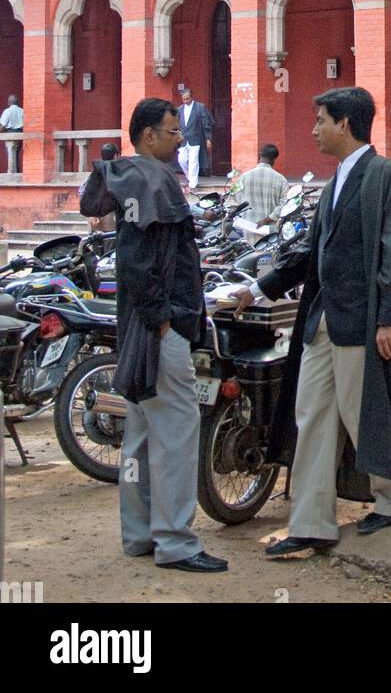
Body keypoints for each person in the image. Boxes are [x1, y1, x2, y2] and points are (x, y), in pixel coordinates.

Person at [231, 86, 391, 557]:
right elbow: (310, 251)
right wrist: (260, 287)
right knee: (313, 416)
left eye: (321, 120)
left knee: (363, 414)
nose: (314, 130)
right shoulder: (336, 183)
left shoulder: (389, 178)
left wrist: (389, 318)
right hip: (324, 320)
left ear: (344, 123)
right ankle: (311, 522)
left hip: (365, 323)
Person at [79, 98, 227, 574]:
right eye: (170, 131)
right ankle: (177, 542)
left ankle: (140, 533)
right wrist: (164, 319)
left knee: (140, 437)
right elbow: (138, 261)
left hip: (139, 330)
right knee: (177, 435)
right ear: (146, 136)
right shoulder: (153, 179)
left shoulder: (131, 176)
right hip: (159, 330)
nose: (179, 138)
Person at [226, 144, 290, 226]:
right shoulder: (281, 179)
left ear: (259, 155)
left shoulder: (244, 177)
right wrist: (268, 219)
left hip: (247, 227)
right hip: (269, 231)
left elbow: (235, 195)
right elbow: (284, 204)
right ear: (274, 159)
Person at [176, 86, 214, 192]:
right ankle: (190, 177)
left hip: (196, 139)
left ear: (191, 97)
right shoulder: (179, 109)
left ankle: (193, 184)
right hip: (183, 140)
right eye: (184, 99)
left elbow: (206, 123)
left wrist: (208, 138)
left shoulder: (200, 107)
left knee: (193, 161)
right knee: (181, 160)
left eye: (187, 98)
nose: (185, 101)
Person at [0, 93, 23, 172]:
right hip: (20, 132)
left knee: (11, 152)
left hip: (10, 132)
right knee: (16, 152)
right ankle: (17, 169)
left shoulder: (7, 111)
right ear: (17, 102)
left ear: (9, 102)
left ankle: (13, 171)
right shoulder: (22, 111)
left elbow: (3, 125)